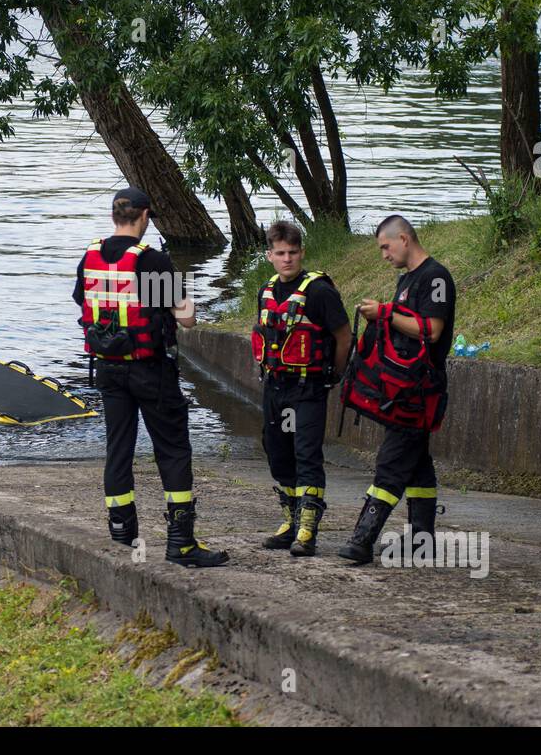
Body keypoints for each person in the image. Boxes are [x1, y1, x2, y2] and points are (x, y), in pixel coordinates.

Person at [74, 187, 228, 568]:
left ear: (115, 216)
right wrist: (177, 284)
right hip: (149, 369)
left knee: (119, 447)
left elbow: (85, 301)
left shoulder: (91, 256)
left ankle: (122, 532)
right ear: (144, 217)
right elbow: (186, 317)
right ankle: (181, 542)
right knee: (172, 449)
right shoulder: (152, 261)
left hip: (107, 369)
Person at [338, 215, 456, 565]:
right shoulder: (407, 280)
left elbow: (431, 330)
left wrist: (385, 313)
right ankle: (422, 542)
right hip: (402, 389)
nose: (384, 255)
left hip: (420, 392)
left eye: (385, 247)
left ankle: (362, 540)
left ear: (404, 239)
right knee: (416, 465)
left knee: (390, 463)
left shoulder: (436, 277)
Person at [252, 221, 351, 557]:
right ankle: (290, 521)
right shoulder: (265, 291)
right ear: (270, 255)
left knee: (306, 453)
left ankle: (308, 529)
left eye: (293, 252)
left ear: (302, 252)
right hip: (275, 386)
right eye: (280, 253)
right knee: (277, 451)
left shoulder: (319, 291)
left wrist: (334, 374)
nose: (287, 259)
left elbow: (343, 336)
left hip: (308, 388)